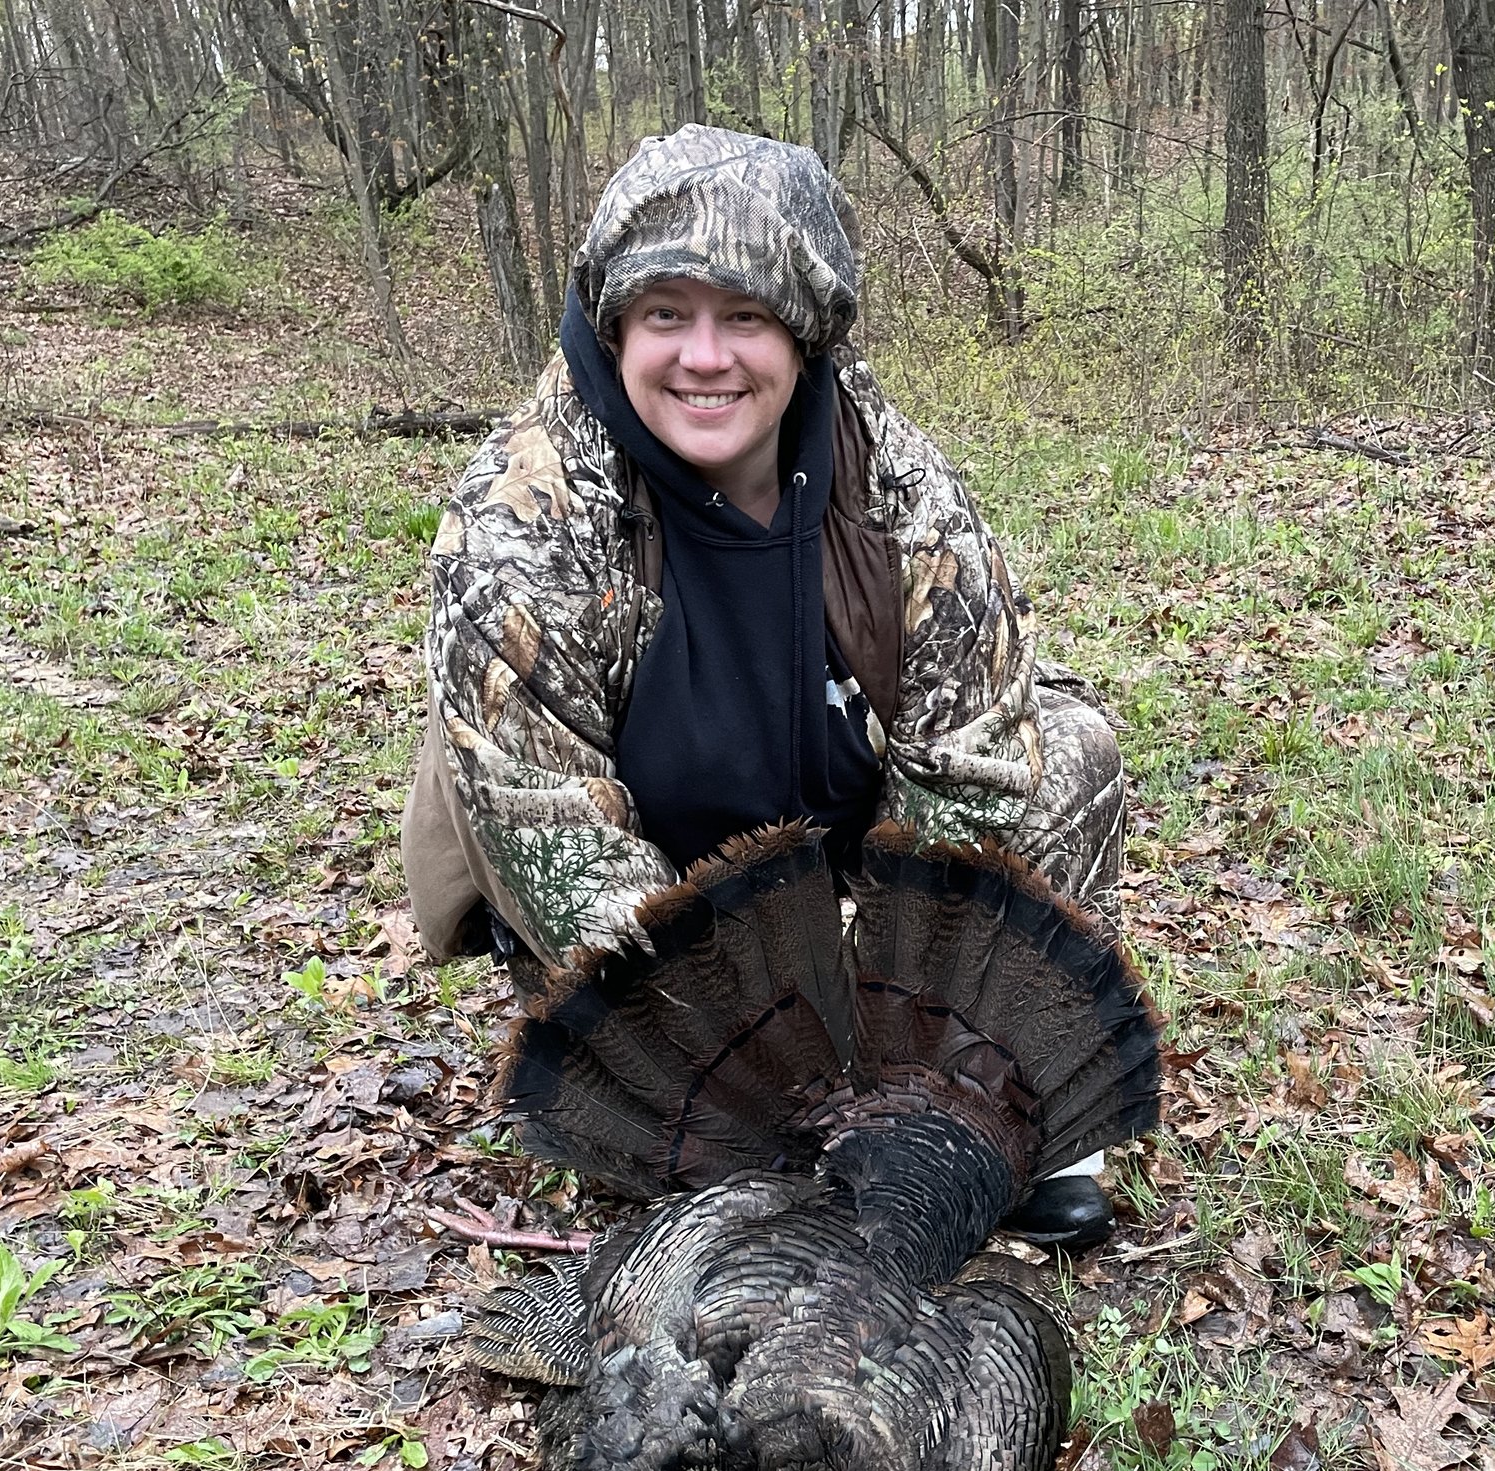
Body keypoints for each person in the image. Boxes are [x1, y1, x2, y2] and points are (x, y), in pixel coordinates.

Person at [400, 125, 1128, 1250]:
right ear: (614, 326)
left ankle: (1006, 1121)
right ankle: (734, 1123)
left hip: (835, 831)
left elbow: (971, 760)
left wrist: (907, 1072)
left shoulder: (895, 486)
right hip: (646, 877)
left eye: (744, 316)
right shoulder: (520, 518)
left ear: (804, 332)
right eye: (664, 316)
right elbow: (556, 850)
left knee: (1068, 749)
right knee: (742, 1192)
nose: (705, 356)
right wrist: (770, 1066)